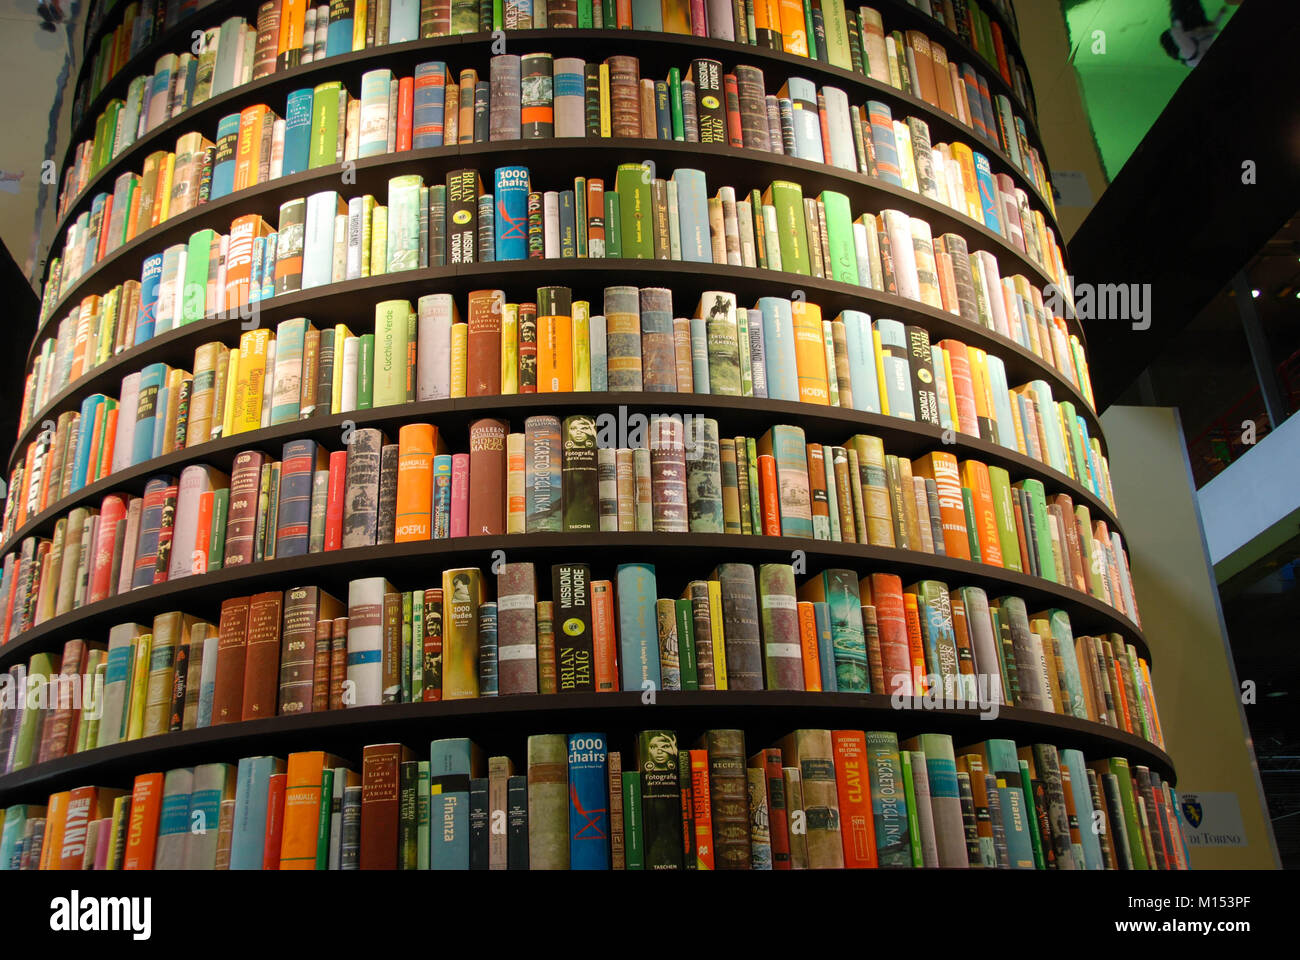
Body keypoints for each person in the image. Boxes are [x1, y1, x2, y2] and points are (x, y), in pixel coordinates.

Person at [1159, 0, 1228, 68]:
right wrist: (1220, 15)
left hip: (1186, 21)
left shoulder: (1191, 53)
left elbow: (1176, 32)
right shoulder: (1196, 54)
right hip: (1192, 20)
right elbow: (1209, 36)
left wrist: (1177, 15)